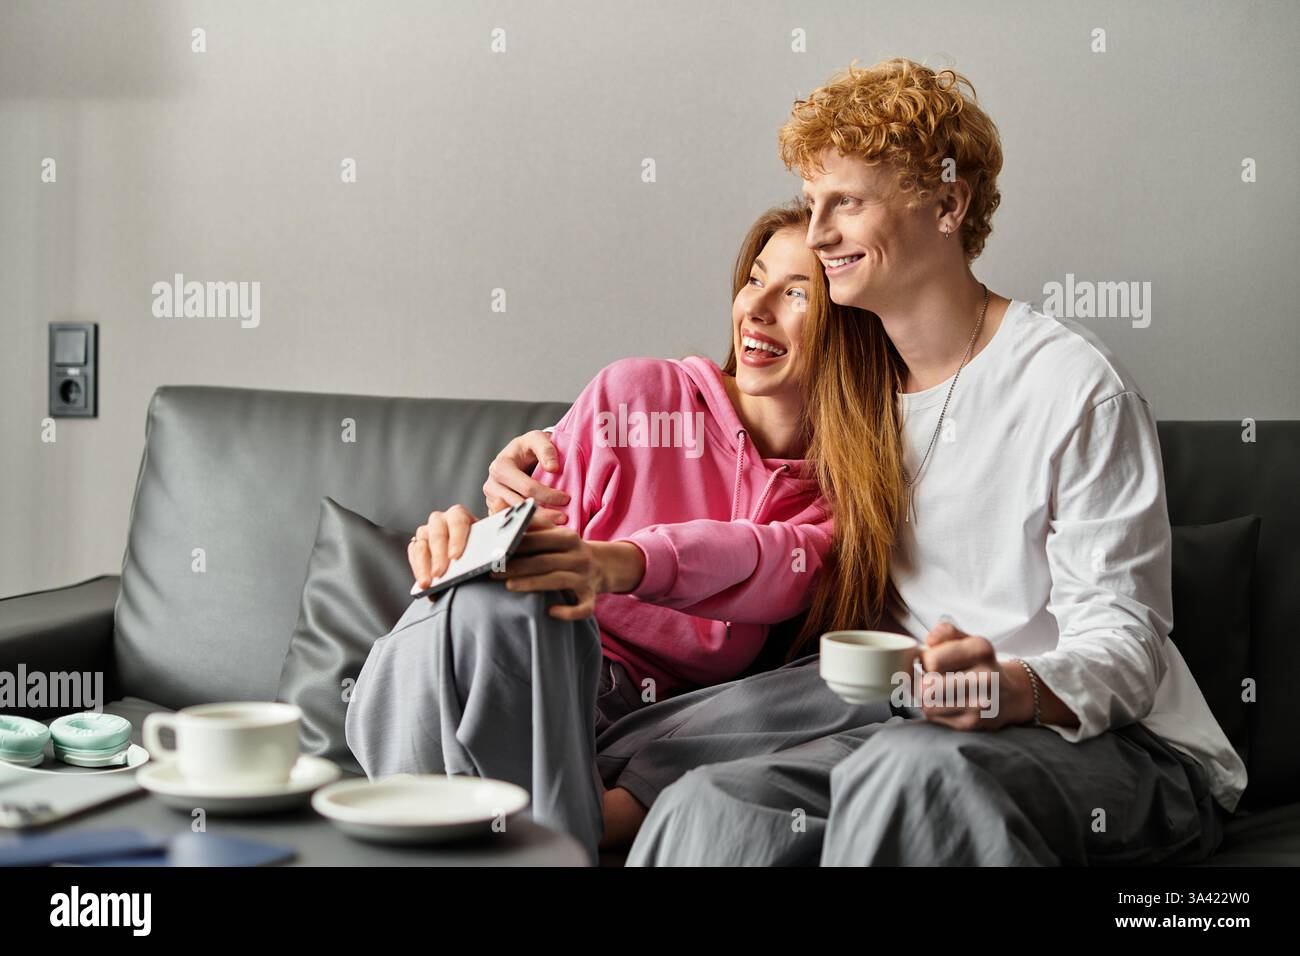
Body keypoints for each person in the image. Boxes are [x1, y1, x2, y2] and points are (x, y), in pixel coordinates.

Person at [484, 59, 1245, 865]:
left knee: (914, 775)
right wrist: (539, 456)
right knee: (712, 807)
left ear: (948, 204)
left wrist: (1006, 687)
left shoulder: (1074, 386)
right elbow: (705, 440)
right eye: (812, 203)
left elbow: (1126, 647)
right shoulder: (853, 404)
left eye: (846, 201)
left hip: (1112, 744)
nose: (817, 234)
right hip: (906, 720)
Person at [344, 202, 903, 863]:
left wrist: (623, 561)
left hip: (643, 731)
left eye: (796, 294)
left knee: (867, 679)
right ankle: (550, 827)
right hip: (529, 671)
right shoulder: (639, 394)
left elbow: (766, 562)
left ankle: (572, 814)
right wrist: (469, 541)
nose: (755, 309)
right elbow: (528, 545)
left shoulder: (842, 498)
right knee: (501, 598)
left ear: (850, 326)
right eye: (755, 280)